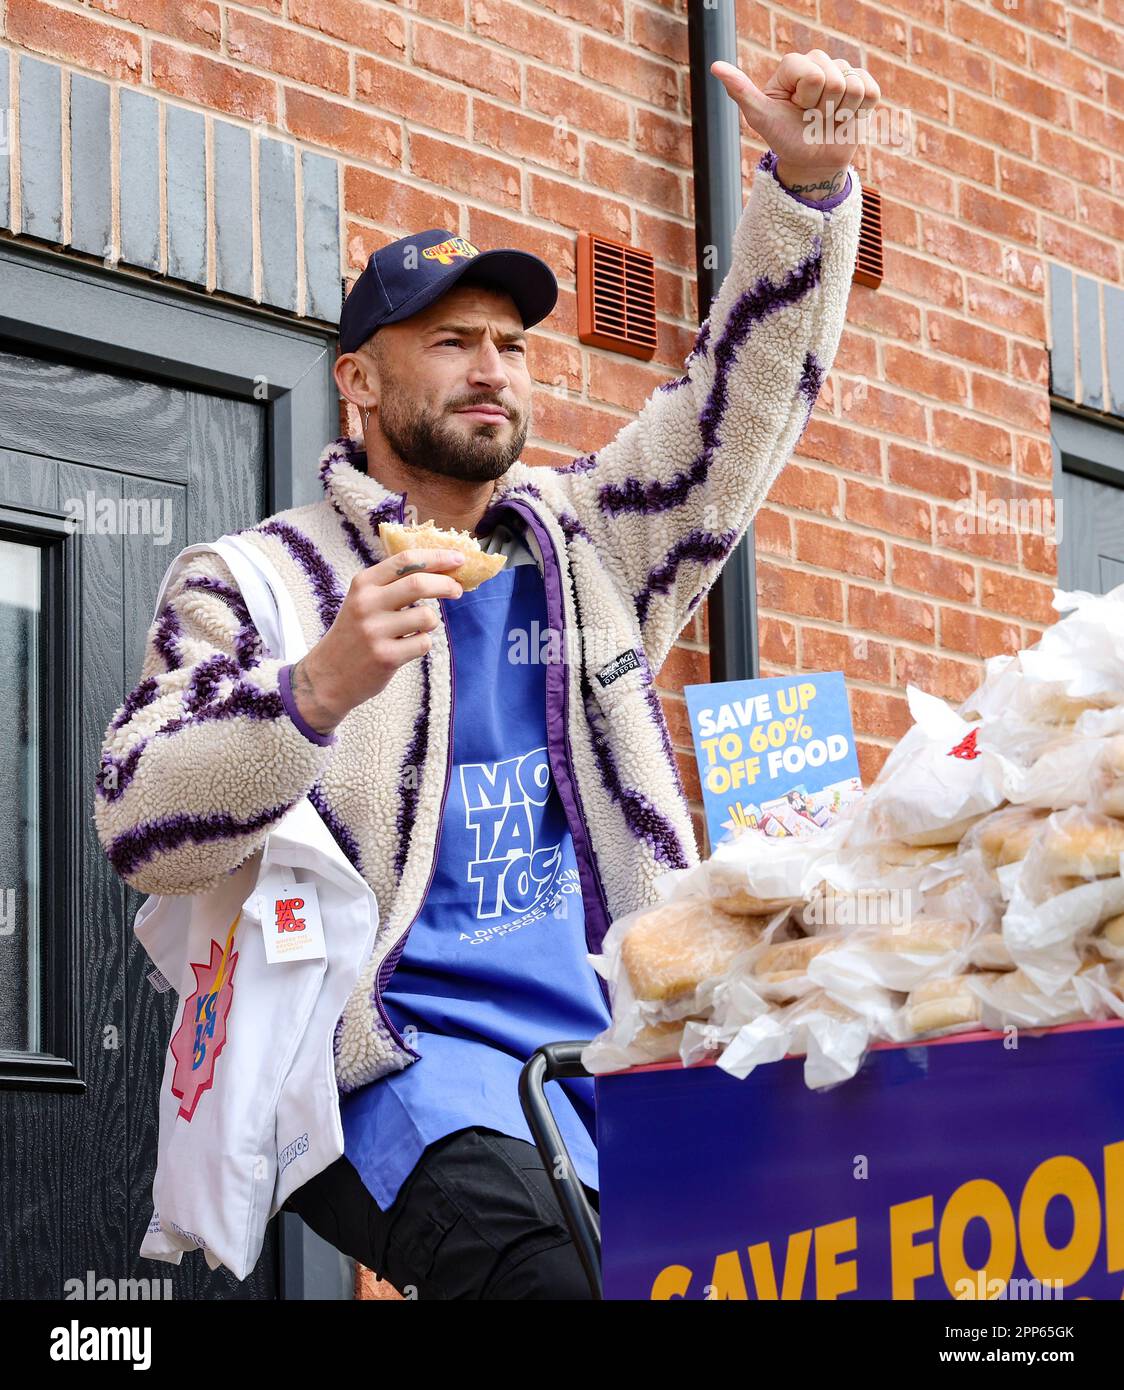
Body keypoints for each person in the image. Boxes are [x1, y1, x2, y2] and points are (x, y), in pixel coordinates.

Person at [95, 52, 877, 1299]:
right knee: (551, 1286)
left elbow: (738, 418)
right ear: (358, 382)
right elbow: (139, 819)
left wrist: (810, 186)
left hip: (607, 1055)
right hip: (387, 1066)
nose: (491, 368)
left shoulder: (587, 545)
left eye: (510, 344)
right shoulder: (252, 583)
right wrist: (314, 690)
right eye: (450, 340)